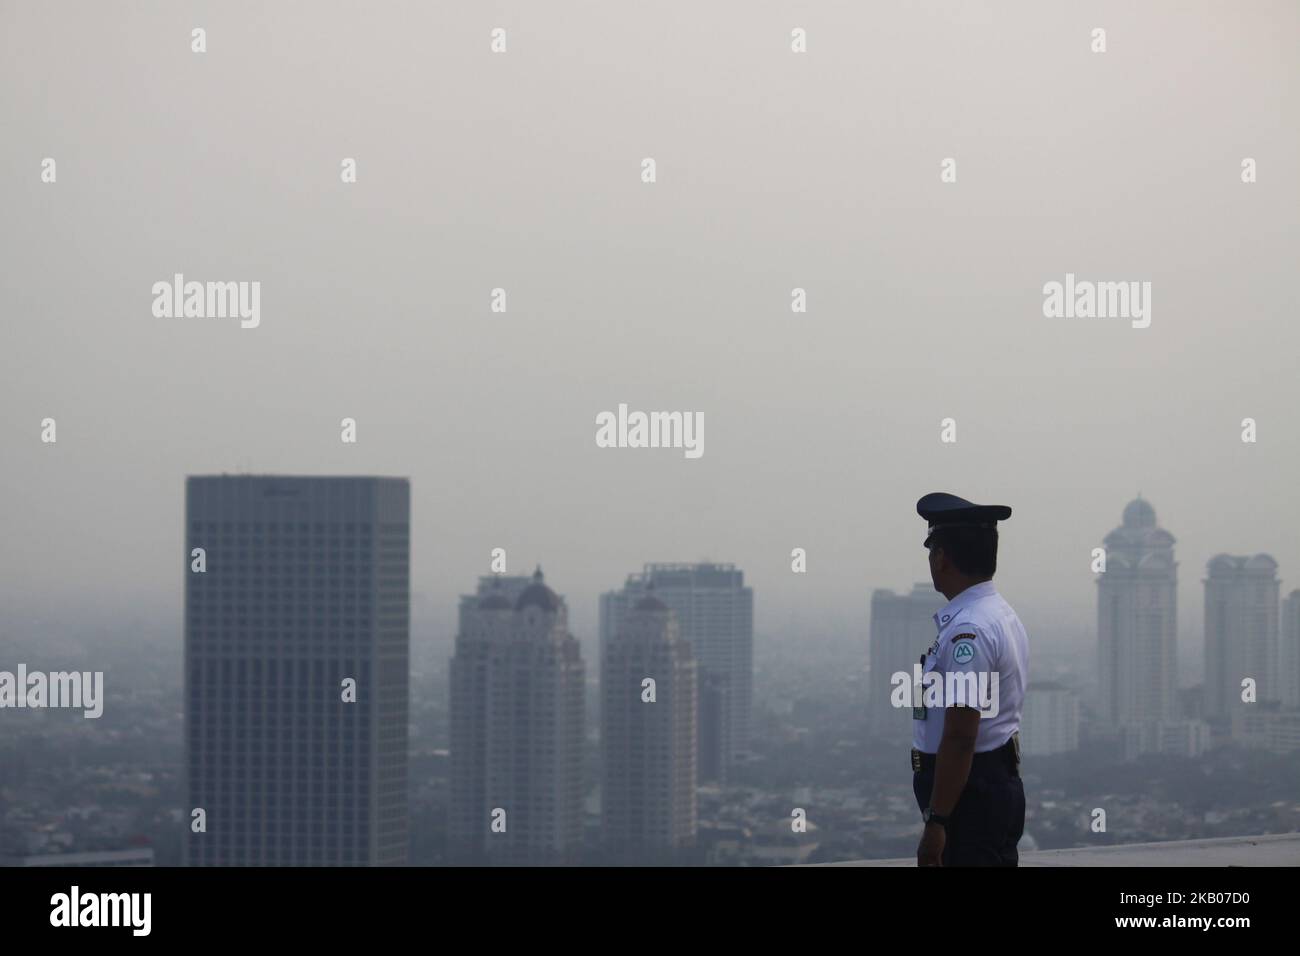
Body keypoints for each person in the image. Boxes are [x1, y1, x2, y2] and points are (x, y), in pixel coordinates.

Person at [911, 492, 1028, 866]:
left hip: (970, 801)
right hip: (985, 787)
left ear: (941, 557)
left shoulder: (970, 630)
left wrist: (937, 821)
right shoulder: (999, 614)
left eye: (932, 552)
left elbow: (961, 736)